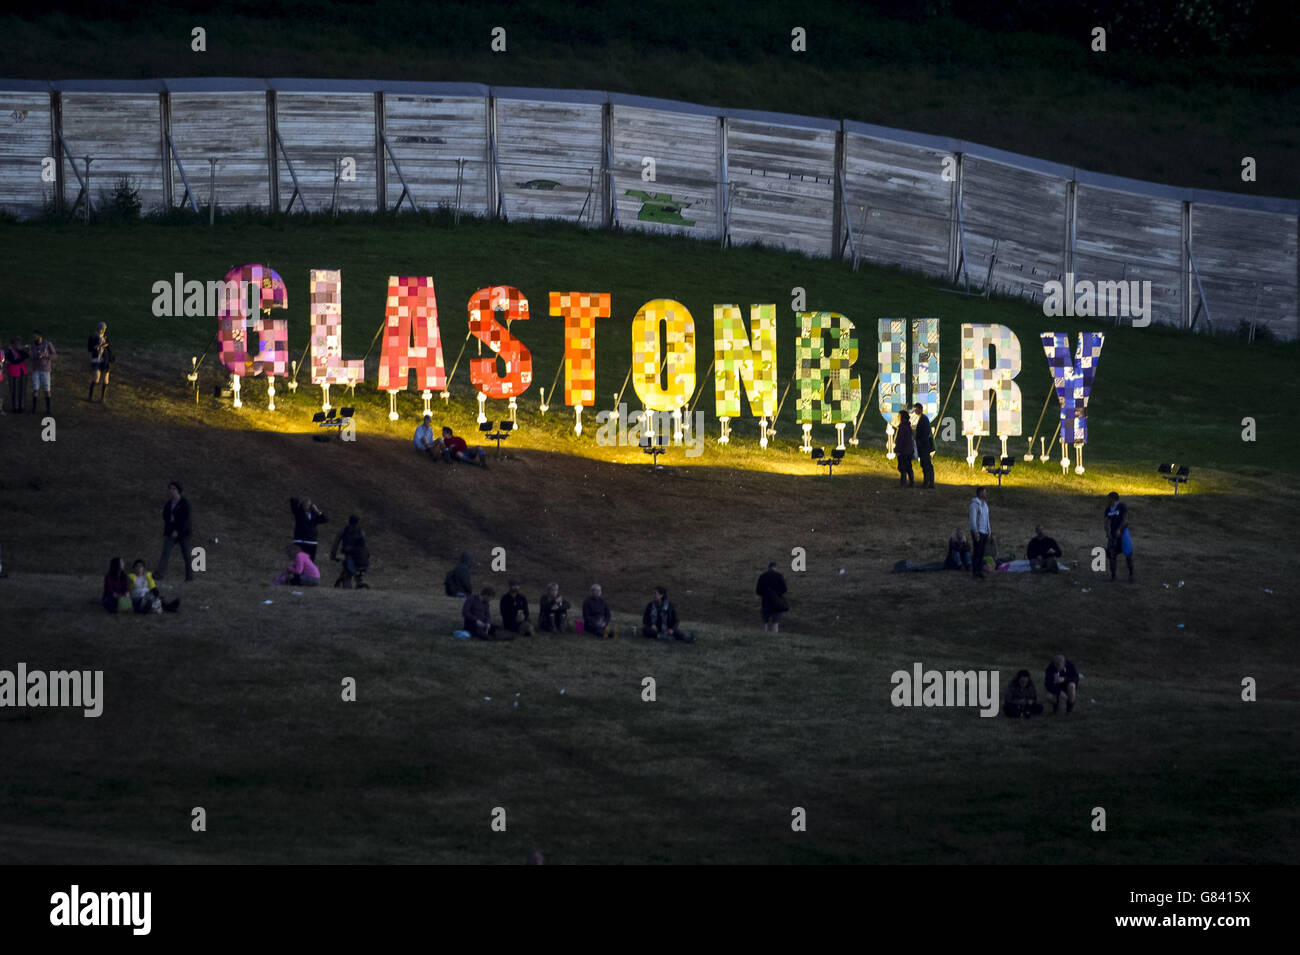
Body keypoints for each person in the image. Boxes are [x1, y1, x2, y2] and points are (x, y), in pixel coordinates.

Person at [156, 481, 194, 582]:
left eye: (173, 489)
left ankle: (189, 577)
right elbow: (166, 517)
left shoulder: (184, 503)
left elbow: (186, 520)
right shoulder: (169, 504)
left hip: (184, 533)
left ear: (178, 490)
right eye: (170, 489)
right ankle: (159, 574)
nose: (171, 491)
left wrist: (178, 530)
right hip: (171, 532)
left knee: (186, 554)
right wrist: (170, 530)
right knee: (165, 553)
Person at [329, 515, 370, 589]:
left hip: (348, 553)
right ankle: (358, 582)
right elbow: (363, 545)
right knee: (356, 570)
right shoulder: (361, 531)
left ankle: (345, 583)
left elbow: (336, 542)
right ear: (358, 522)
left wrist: (333, 554)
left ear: (349, 521)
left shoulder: (344, 530)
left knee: (348, 570)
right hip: (359, 555)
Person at [1104, 491, 1134, 581]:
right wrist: (1108, 532)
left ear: (1113, 499)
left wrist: (1119, 530)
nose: (1107, 500)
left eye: (1109, 499)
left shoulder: (1121, 506)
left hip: (1123, 533)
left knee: (1128, 554)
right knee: (1112, 556)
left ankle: (1131, 573)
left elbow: (1125, 520)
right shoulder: (1108, 509)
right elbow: (1106, 522)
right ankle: (1113, 575)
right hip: (1113, 534)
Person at [290, 496, 328, 561]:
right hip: (300, 542)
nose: (307, 506)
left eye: (308, 505)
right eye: (305, 504)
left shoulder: (314, 515)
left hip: (312, 542)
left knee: (310, 564)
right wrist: (300, 502)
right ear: (302, 505)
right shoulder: (299, 512)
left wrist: (317, 510)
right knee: (299, 563)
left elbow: (325, 520)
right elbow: (293, 501)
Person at [756, 561, 788, 632]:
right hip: (776, 602)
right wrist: (778, 594)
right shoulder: (779, 576)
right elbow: (785, 589)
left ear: (768, 568)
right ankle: (775, 637)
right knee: (776, 621)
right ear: (775, 567)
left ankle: (764, 636)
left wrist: (765, 594)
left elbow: (758, 591)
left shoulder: (762, 576)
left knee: (765, 621)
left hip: (765, 602)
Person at [29, 331, 56, 416]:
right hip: (36, 369)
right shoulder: (33, 346)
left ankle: (48, 409)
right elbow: (31, 358)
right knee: (35, 389)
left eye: (35, 336)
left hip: (45, 369)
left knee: (47, 390)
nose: (34, 338)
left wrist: (45, 355)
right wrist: (31, 354)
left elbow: (54, 355)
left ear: (40, 336)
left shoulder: (47, 344)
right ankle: (33, 409)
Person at [86, 322, 113, 403]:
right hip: (96, 359)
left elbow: (109, 348)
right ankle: (90, 396)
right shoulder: (93, 337)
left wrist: (111, 358)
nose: (103, 330)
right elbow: (89, 348)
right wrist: (97, 346)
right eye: (102, 329)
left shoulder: (106, 337)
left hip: (105, 360)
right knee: (96, 379)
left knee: (106, 380)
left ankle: (102, 398)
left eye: (104, 329)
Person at [969, 486, 991, 579]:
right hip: (978, 531)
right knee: (977, 552)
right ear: (980, 493)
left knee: (982, 552)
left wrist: (989, 530)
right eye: (985, 492)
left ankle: (980, 570)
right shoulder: (974, 505)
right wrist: (975, 531)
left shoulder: (985, 505)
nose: (986, 494)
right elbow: (973, 519)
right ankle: (975, 571)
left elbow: (987, 519)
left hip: (984, 531)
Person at [913, 403, 935, 488]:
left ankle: (928, 482)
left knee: (926, 464)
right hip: (923, 445)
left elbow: (925, 433)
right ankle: (928, 482)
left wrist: (921, 443)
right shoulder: (922, 418)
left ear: (920, 409)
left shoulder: (923, 419)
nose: (915, 411)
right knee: (925, 464)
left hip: (924, 446)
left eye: (916, 409)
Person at [4, 338, 29, 413]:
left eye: (19, 343)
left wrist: (20, 350)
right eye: (17, 343)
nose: (18, 345)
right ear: (13, 344)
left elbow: (26, 356)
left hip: (22, 371)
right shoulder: (9, 351)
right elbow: (13, 361)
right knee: (14, 390)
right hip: (13, 372)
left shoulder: (20, 350)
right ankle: (15, 407)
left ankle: (22, 406)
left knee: (22, 389)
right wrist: (21, 359)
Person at [894, 410, 915, 488]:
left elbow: (901, 440)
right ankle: (911, 482)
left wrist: (897, 449)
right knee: (908, 466)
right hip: (908, 450)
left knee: (903, 467)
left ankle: (903, 484)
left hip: (903, 450)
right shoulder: (908, 426)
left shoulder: (903, 427)